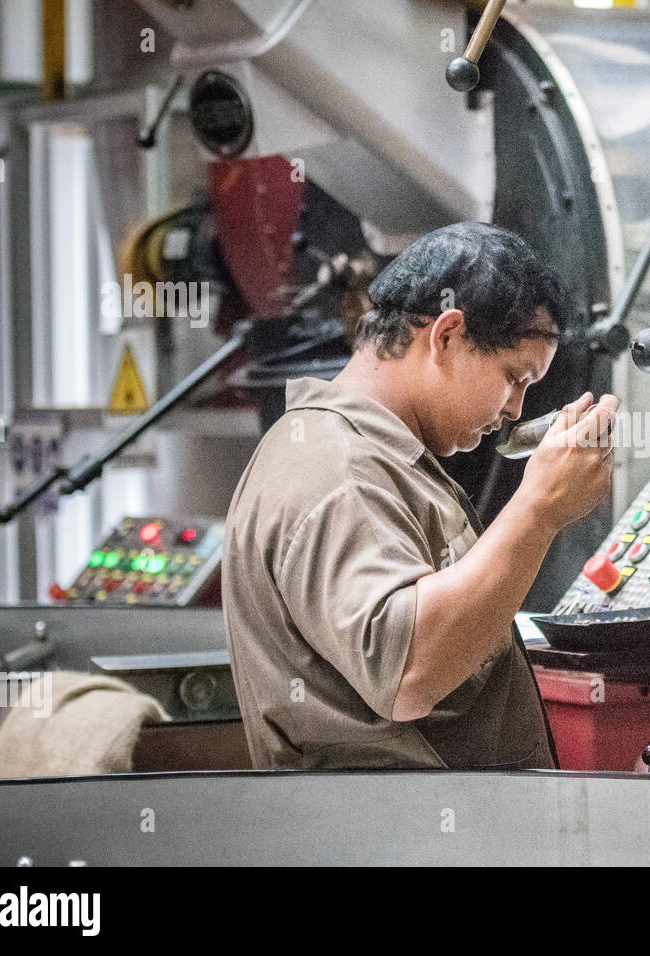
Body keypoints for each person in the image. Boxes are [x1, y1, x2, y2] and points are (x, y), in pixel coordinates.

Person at [222, 221, 618, 770]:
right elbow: (408, 672)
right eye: (514, 377)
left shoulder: (382, 458)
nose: (514, 410)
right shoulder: (340, 469)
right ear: (447, 335)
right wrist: (540, 509)